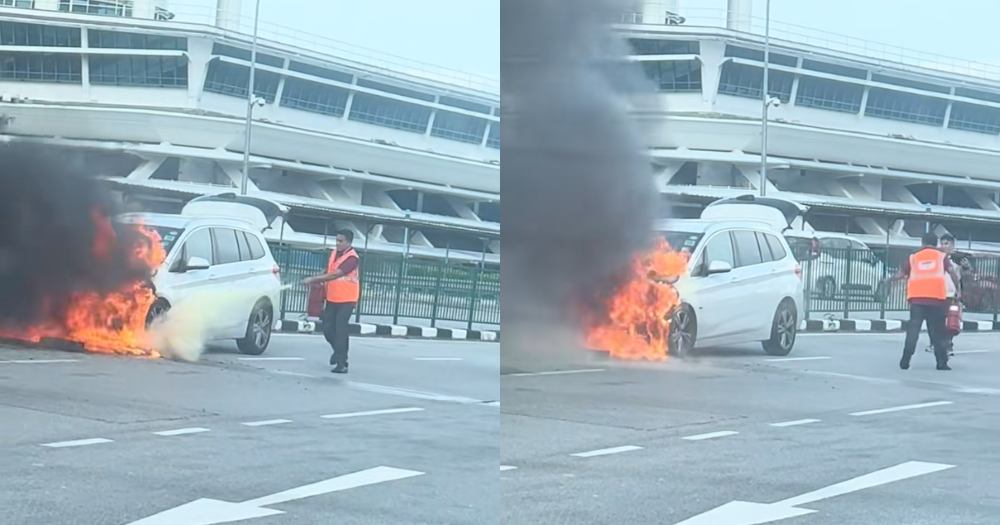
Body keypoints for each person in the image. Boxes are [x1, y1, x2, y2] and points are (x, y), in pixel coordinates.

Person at [885, 233, 959, 371]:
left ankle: (905, 360)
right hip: (937, 300)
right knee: (937, 332)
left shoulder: (913, 258)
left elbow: (901, 273)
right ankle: (941, 362)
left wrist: (888, 280)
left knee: (913, 330)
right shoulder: (941, 257)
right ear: (936, 243)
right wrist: (957, 289)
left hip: (917, 300)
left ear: (922, 243)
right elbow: (952, 272)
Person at [302, 230, 360, 374]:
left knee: (340, 330)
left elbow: (336, 274)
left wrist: (315, 280)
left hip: (347, 299)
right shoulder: (334, 253)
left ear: (349, 242)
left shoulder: (352, 258)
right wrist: (318, 276)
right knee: (328, 329)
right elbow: (329, 269)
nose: (337, 243)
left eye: (341, 241)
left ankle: (342, 362)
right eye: (337, 240)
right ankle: (338, 351)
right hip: (332, 298)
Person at [925, 234, 959, 357]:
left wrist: (966, 268)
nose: (944, 246)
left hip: (950, 295)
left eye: (947, 243)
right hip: (935, 294)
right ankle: (934, 343)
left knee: (950, 321)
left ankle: (948, 345)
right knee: (933, 321)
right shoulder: (937, 258)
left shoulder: (958, 259)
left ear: (952, 245)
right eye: (942, 243)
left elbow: (965, 277)